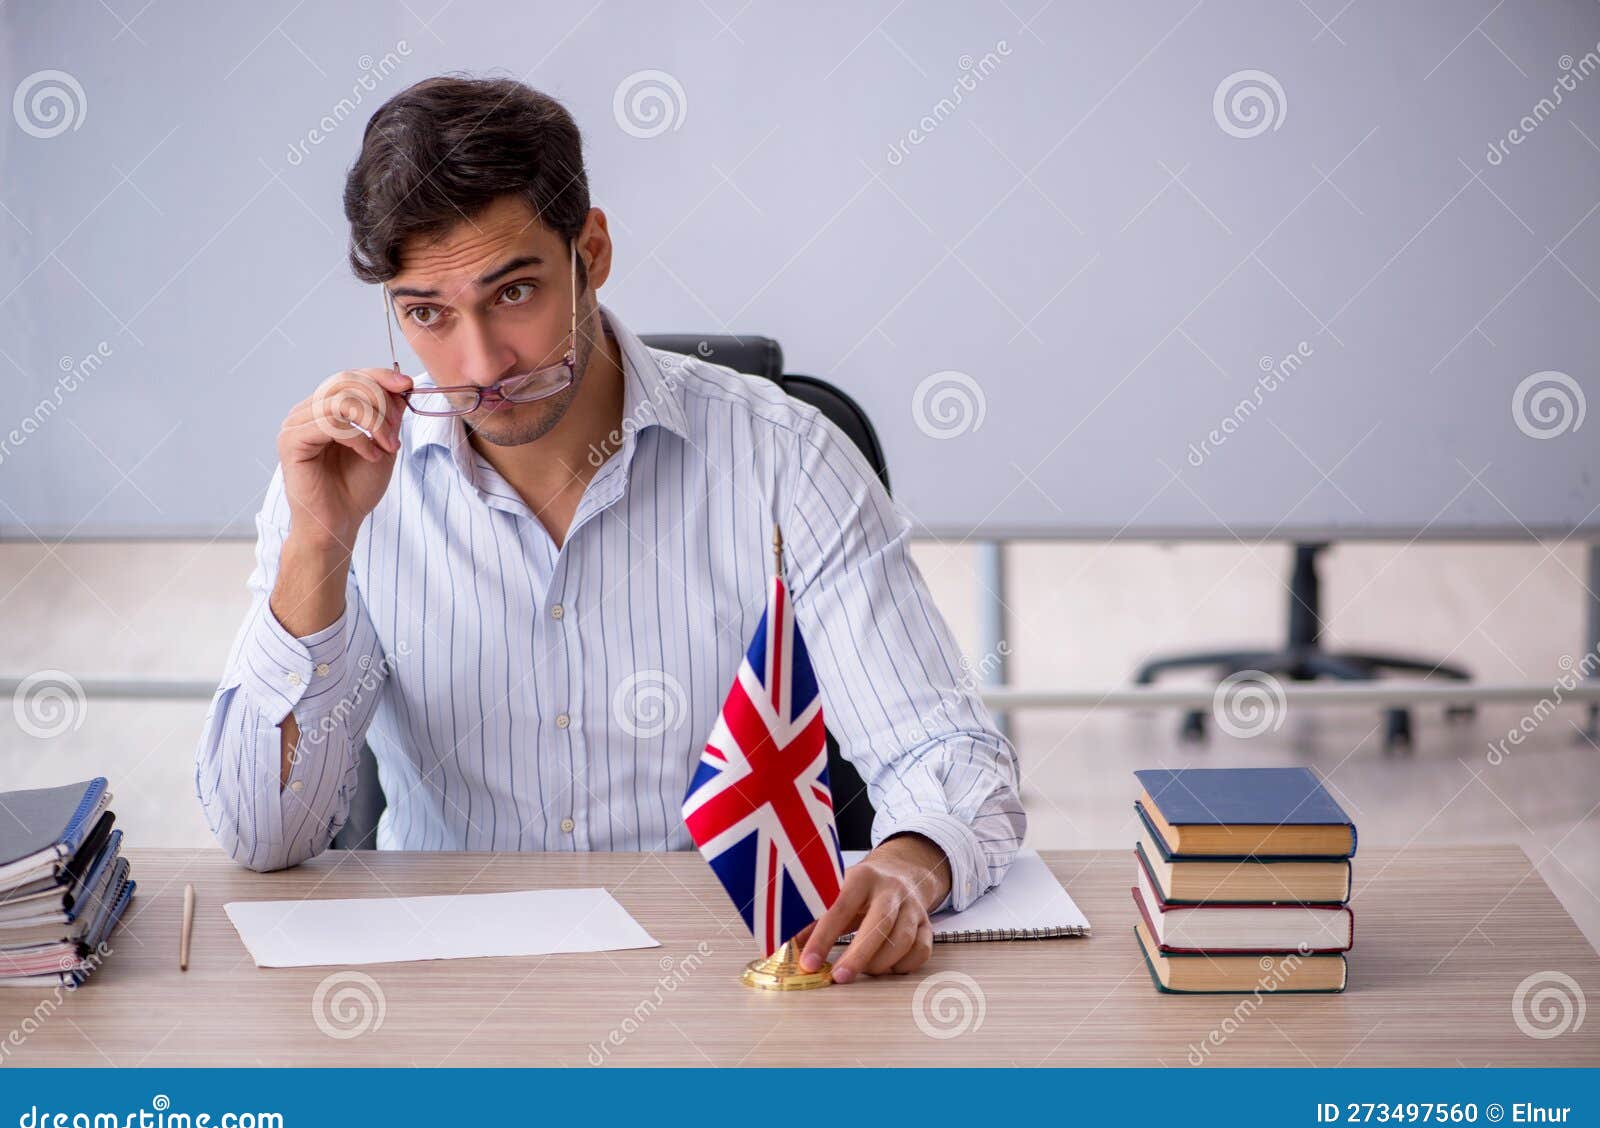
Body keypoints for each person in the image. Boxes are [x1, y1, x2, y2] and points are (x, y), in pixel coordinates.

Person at [193, 76, 1024, 983]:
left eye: (514, 293)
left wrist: (911, 858)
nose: (481, 365)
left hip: (729, 975)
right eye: (426, 314)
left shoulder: (788, 458)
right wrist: (318, 541)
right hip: (441, 994)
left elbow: (942, 753)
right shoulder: (344, 481)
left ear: (591, 249)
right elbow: (261, 837)